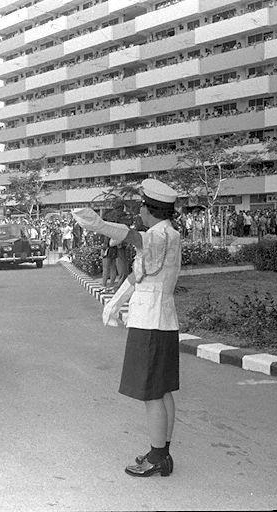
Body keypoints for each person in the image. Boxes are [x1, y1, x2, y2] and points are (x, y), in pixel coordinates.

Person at [73, 178, 181, 478]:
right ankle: (164, 452)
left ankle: (158, 456)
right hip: (164, 321)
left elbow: (131, 236)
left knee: (151, 393)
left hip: (150, 324)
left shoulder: (157, 237)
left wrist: (98, 224)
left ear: (150, 209)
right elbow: (138, 277)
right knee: (164, 390)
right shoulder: (169, 234)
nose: (140, 212)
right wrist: (114, 303)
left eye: (143, 207)